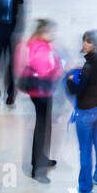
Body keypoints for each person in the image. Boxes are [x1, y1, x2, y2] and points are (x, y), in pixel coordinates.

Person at [19, 19, 62, 183]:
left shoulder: (37, 44)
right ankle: (38, 169)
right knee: (42, 130)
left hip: (40, 93)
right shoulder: (42, 49)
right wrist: (57, 69)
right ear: (42, 32)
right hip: (41, 93)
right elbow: (48, 70)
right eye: (50, 32)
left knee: (43, 127)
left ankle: (42, 159)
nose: (52, 35)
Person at [67, 30, 97, 193]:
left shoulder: (89, 67)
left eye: (89, 42)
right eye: (84, 41)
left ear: (95, 44)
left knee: (85, 149)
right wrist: (82, 70)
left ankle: (84, 188)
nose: (84, 44)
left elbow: (77, 90)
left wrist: (70, 80)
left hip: (87, 111)